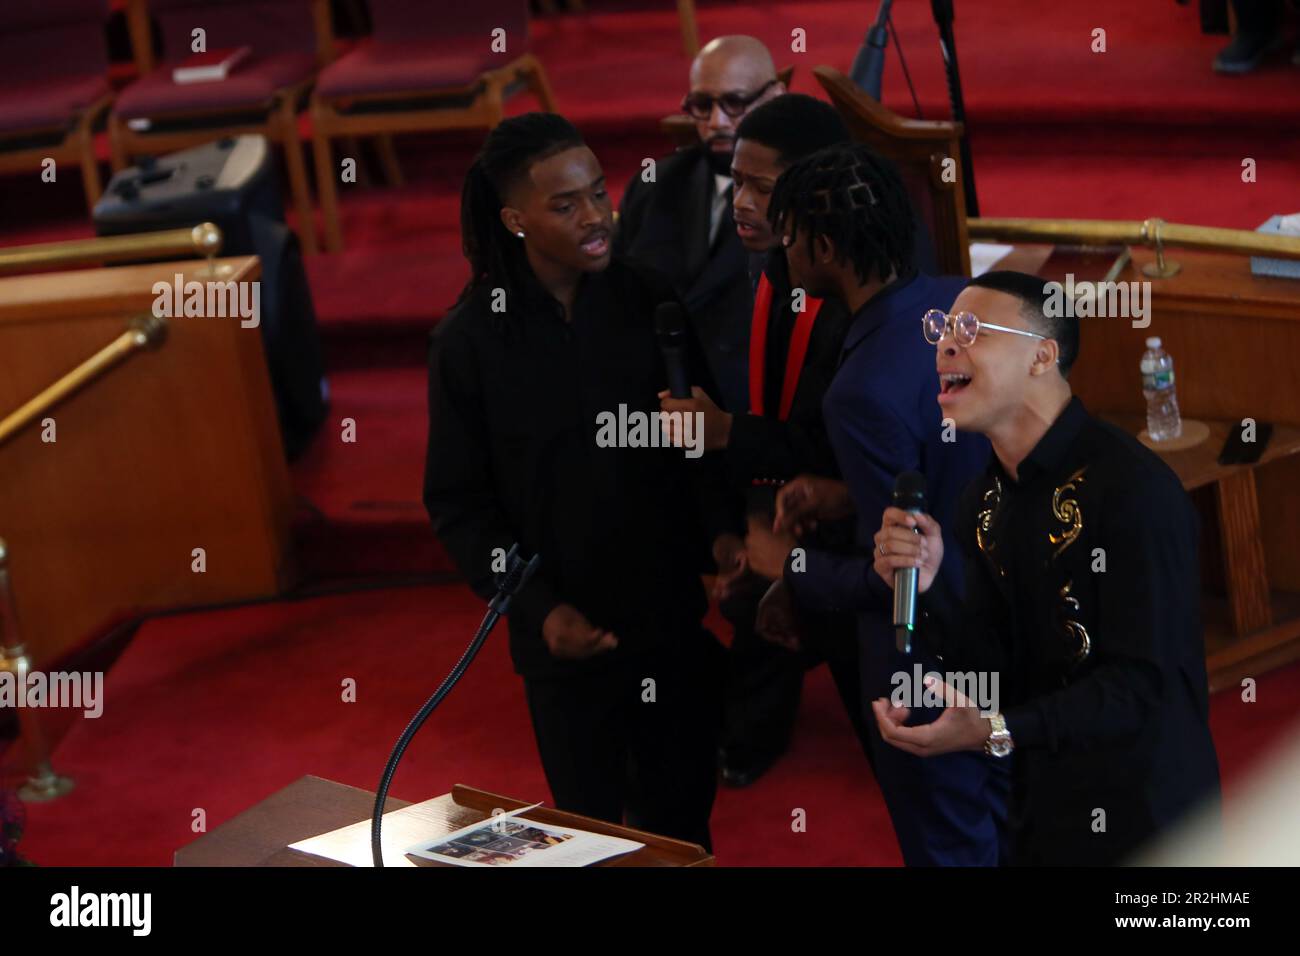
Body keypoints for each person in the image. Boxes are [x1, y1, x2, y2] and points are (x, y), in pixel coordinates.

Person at [424, 113, 741, 850]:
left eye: (600, 193)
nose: (598, 218)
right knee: (591, 833)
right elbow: (460, 506)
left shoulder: (649, 301)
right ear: (515, 219)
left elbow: (700, 442)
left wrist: (724, 532)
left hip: (666, 621)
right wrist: (536, 609)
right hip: (563, 647)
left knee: (682, 828)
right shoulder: (469, 343)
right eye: (566, 205)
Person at [869, 270, 1222, 865]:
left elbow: (1142, 688)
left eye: (971, 329)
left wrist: (996, 731)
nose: (946, 346)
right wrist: (929, 587)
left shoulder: (1134, 491)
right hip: (1040, 811)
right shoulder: (980, 502)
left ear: (1042, 355)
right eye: (943, 331)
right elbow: (998, 662)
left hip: (1152, 818)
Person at [755, 143, 1008, 866]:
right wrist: (845, 497)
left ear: (825, 247)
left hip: (928, 665)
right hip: (1018, 628)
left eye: (791, 234)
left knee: (952, 845)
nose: (784, 248)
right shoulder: (970, 304)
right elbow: (958, 468)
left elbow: (897, 582)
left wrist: (794, 567)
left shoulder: (860, 389)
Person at [661, 93, 870, 784]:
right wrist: (734, 528)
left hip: (862, 517)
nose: (740, 202)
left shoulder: (851, 288)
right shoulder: (773, 265)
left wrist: (729, 436)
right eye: (735, 182)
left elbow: (840, 445)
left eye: (760, 187)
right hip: (776, 492)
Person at [615, 35, 785, 413]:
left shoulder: (804, 197)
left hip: (753, 416)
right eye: (701, 105)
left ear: (775, 97)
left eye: (734, 103)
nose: (716, 122)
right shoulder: (655, 185)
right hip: (650, 406)